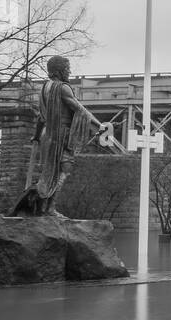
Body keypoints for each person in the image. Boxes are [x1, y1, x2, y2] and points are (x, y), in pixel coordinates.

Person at [15, 55, 110, 218]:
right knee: (62, 172)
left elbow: (41, 116)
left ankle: (39, 208)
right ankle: (49, 209)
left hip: (47, 136)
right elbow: (80, 110)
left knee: (48, 173)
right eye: (67, 68)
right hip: (60, 137)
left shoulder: (45, 87)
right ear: (59, 71)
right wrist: (99, 125)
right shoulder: (62, 88)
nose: (70, 71)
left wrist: (37, 136)